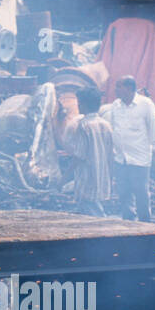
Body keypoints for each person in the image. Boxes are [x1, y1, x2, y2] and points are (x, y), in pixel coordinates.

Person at [100, 75, 155, 222]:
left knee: (141, 193)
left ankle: (145, 224)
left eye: (119, 86)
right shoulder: (116, 105)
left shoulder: (146, 104)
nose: (115, 90)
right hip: (121, 158)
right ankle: (128, 222)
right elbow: (116, 130)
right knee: (123, 192)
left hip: (139, 158)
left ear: (129, 88)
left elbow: (153, 128)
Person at [62, 85, 114, 216]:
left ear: (83, 104)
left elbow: (79, 156)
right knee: (93, 207)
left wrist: (65, 177)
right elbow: (111, 154)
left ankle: (105, 231)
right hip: (101, 175)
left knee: (91, 211)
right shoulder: (106, 125)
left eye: (79, 103)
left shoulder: (83, 126)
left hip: (87, 178)